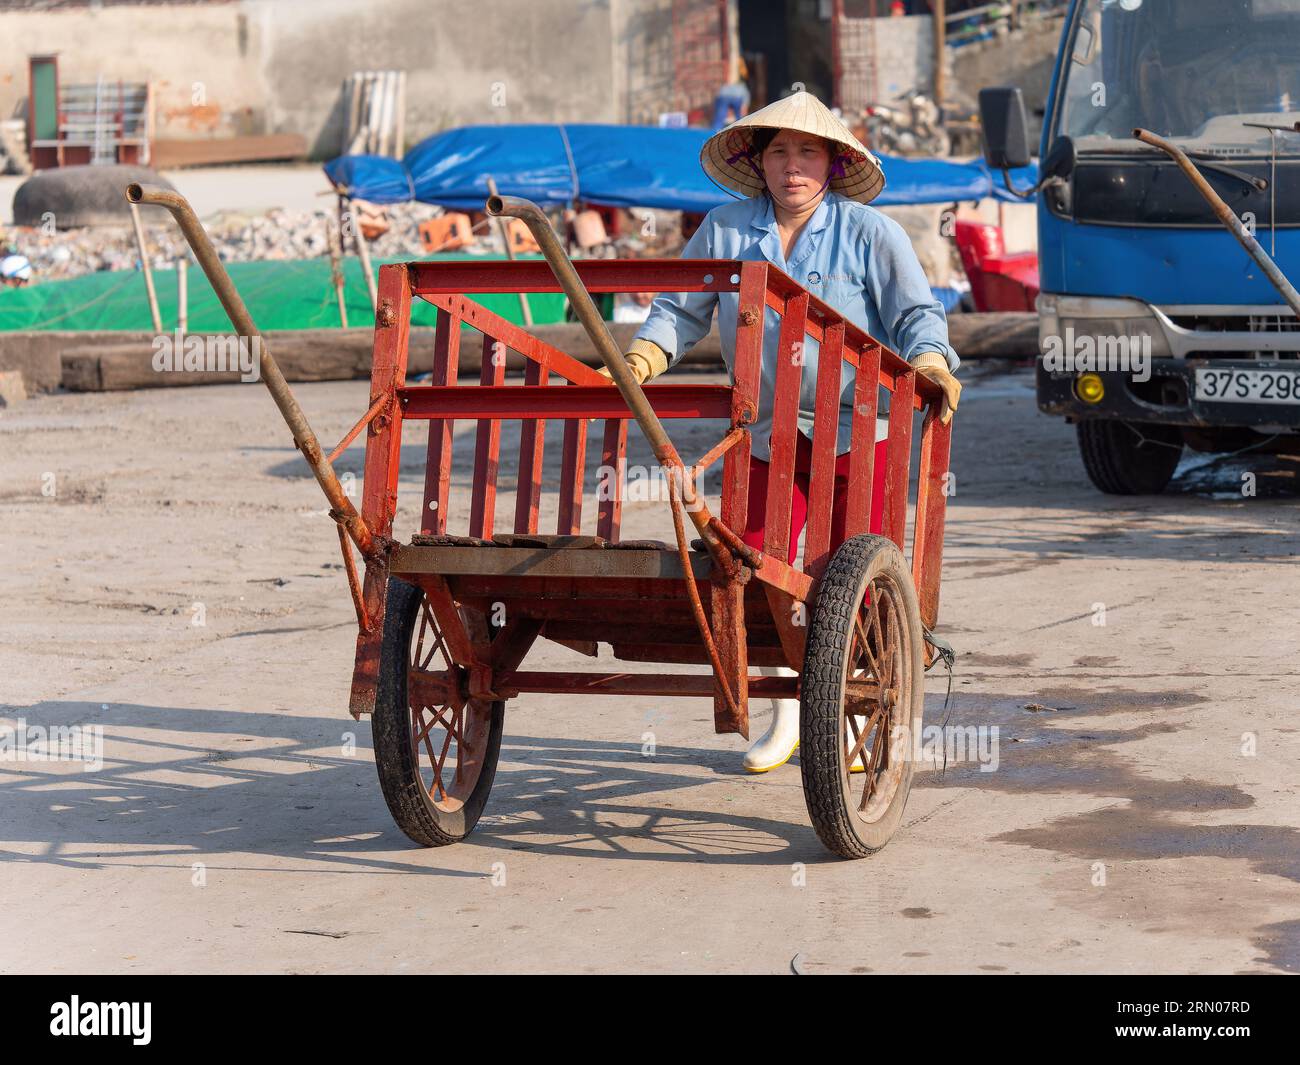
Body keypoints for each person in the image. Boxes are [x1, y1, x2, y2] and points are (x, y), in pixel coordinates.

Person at [601, 91, 960, 772]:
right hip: (765, 433)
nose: (793, 165)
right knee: (755, 563)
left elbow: (916, 315)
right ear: (756, 162)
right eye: (779, 151)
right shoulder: (726, 230)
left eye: (807, 151)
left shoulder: (870, 233)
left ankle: (858, 709)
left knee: (845, 573)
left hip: (859, 433)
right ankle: (791, 707)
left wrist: (933, 362)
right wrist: (645, 357)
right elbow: (681, 309)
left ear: (832, 163)